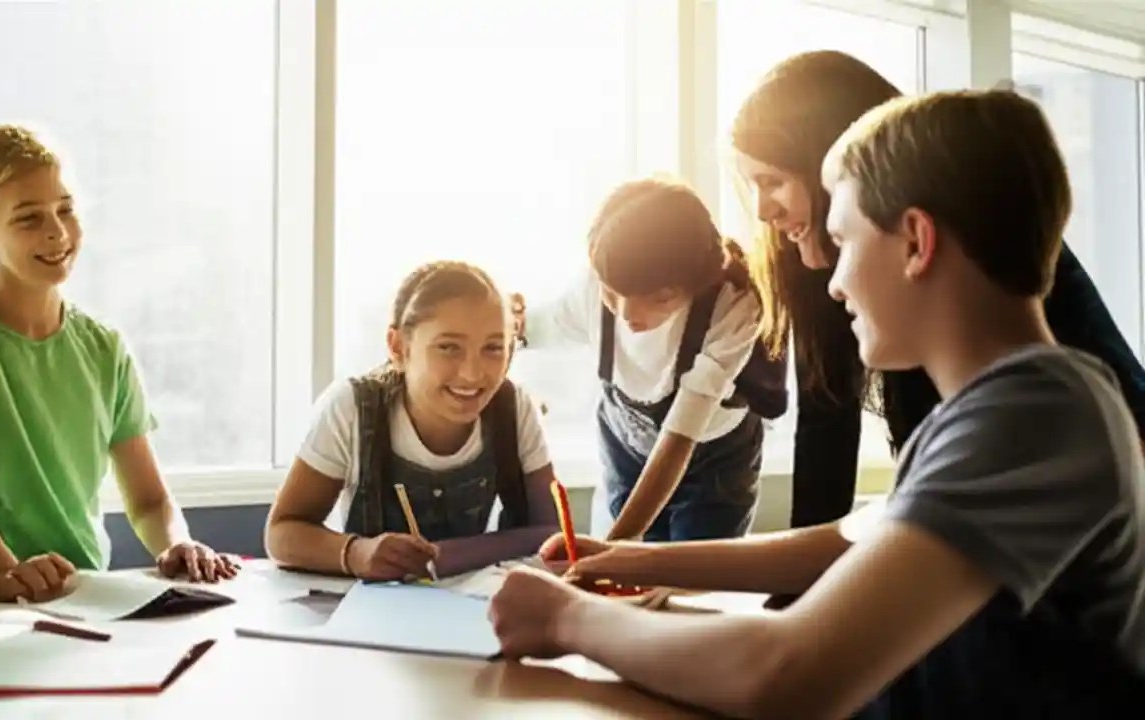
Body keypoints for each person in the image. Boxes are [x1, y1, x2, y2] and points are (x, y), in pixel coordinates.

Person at [490, 89, 1145, 718]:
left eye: (846, 240)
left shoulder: (1035, 418)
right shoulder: (989, 416)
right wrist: (627, 559)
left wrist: (564, 618)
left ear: (916, 242)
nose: (832, 284)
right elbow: (844, 542)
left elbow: (785, 676)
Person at [729, 50, 1145, 527]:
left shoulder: (989, 248)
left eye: (773, 181)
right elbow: (828, 439)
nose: (761, 210)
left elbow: (1122, 401)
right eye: (751, 185)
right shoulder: (822, 274)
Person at [0, 125, 238, 602]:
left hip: (83, 593)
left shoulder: (105, 347)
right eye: (29, 218)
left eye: (65, 209)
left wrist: (176, 541)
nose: (57, 231)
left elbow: (149, 500)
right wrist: (6, 574)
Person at [517, 178, 785, 542]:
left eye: (657, 298)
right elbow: (543, 326)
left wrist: (615, 545)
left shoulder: (733, 306)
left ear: (697, 281)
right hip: (625, 450)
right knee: (629, 585)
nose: (628, 314)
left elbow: (679, 438)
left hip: (714, 461)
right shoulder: (595, 287)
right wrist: (506, 322)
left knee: (691, 573)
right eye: (615, 293)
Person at [265, 261, 558, 580]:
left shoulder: (515, 408)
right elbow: (282, 533)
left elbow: (551, 534)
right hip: (369, 614)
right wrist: (355, 552)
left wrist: (446, 556)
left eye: (493, 348)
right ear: (398, 347)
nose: (473, 373)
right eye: (448, 348)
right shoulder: (352, 407)